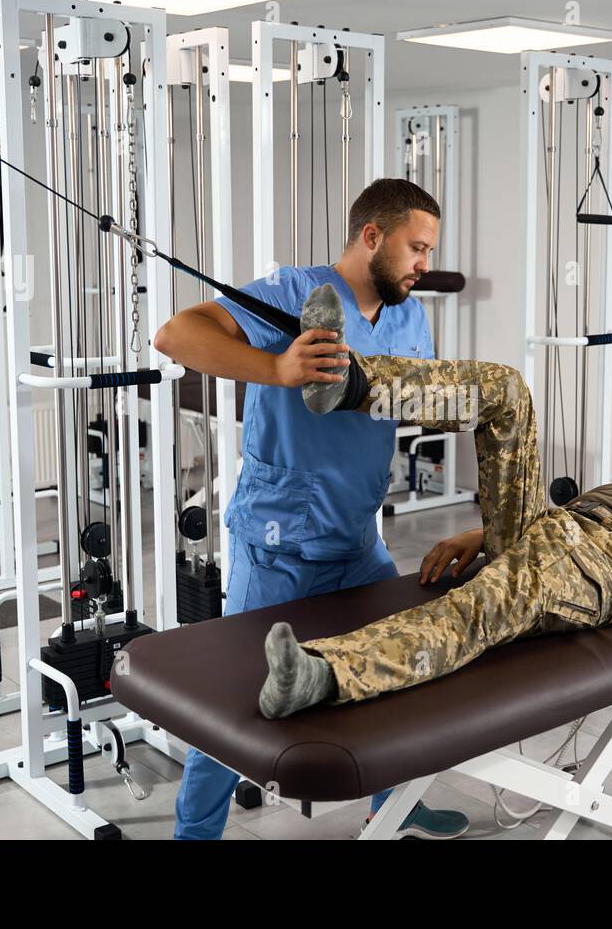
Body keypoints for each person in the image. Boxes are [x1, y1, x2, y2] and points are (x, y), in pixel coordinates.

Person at [254, 288, 612, 718]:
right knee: (507, 391)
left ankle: (322, 676)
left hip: (602, 563)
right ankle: (349, 384)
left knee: (478, 606)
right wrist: (482, 535)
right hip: (556, 526)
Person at [153, 179, 469, 839]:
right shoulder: (293, 291)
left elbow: (414, 397)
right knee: (235, 705)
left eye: (429, 250)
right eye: (416, 248)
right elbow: (176, 335)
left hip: (358, 540)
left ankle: (393, 809)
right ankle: (195, 836)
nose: (424, 264)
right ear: (371, 237)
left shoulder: (410, 312)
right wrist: (278, 370)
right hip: (280, 544)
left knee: (397, 672)